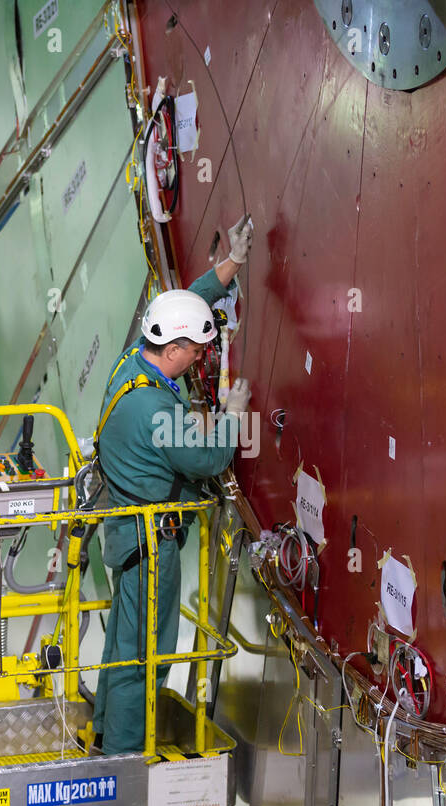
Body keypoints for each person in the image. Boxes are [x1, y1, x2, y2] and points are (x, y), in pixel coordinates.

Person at [90, 215, 256, 754]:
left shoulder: (130, 364)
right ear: (176, 352)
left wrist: (226, 269)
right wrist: (231, 416)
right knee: (147, 655)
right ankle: (126, 757)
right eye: (197, 351)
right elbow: (207, 458)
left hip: (125, 535)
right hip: (152, 547)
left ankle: (107, 733)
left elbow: (180, 305)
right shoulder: (157, 409)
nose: (201, 358)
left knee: (123, 645)